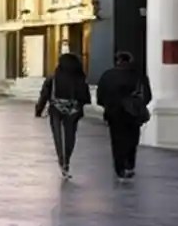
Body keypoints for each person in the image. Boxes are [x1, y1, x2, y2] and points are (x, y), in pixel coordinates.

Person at [96, 51, 152, 181]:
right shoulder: (139, 76)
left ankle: (119, 168)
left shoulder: (107, 75)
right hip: (132, 113)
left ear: (117, 61)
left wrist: (108, 105)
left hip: (113, 113)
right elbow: (147, 96)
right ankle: (129, 164)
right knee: (132, 139)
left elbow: (100, 97)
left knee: (117, 141)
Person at [35, 53, 92, 179]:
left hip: (56, 109)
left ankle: (61, 160)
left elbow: (44, 95)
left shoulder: (53, 77)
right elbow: (85, 97)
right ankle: (67, 160)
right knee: (70, 135)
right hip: (73, 110)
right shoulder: (80, 77)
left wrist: (39, 110)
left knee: (58, 136)